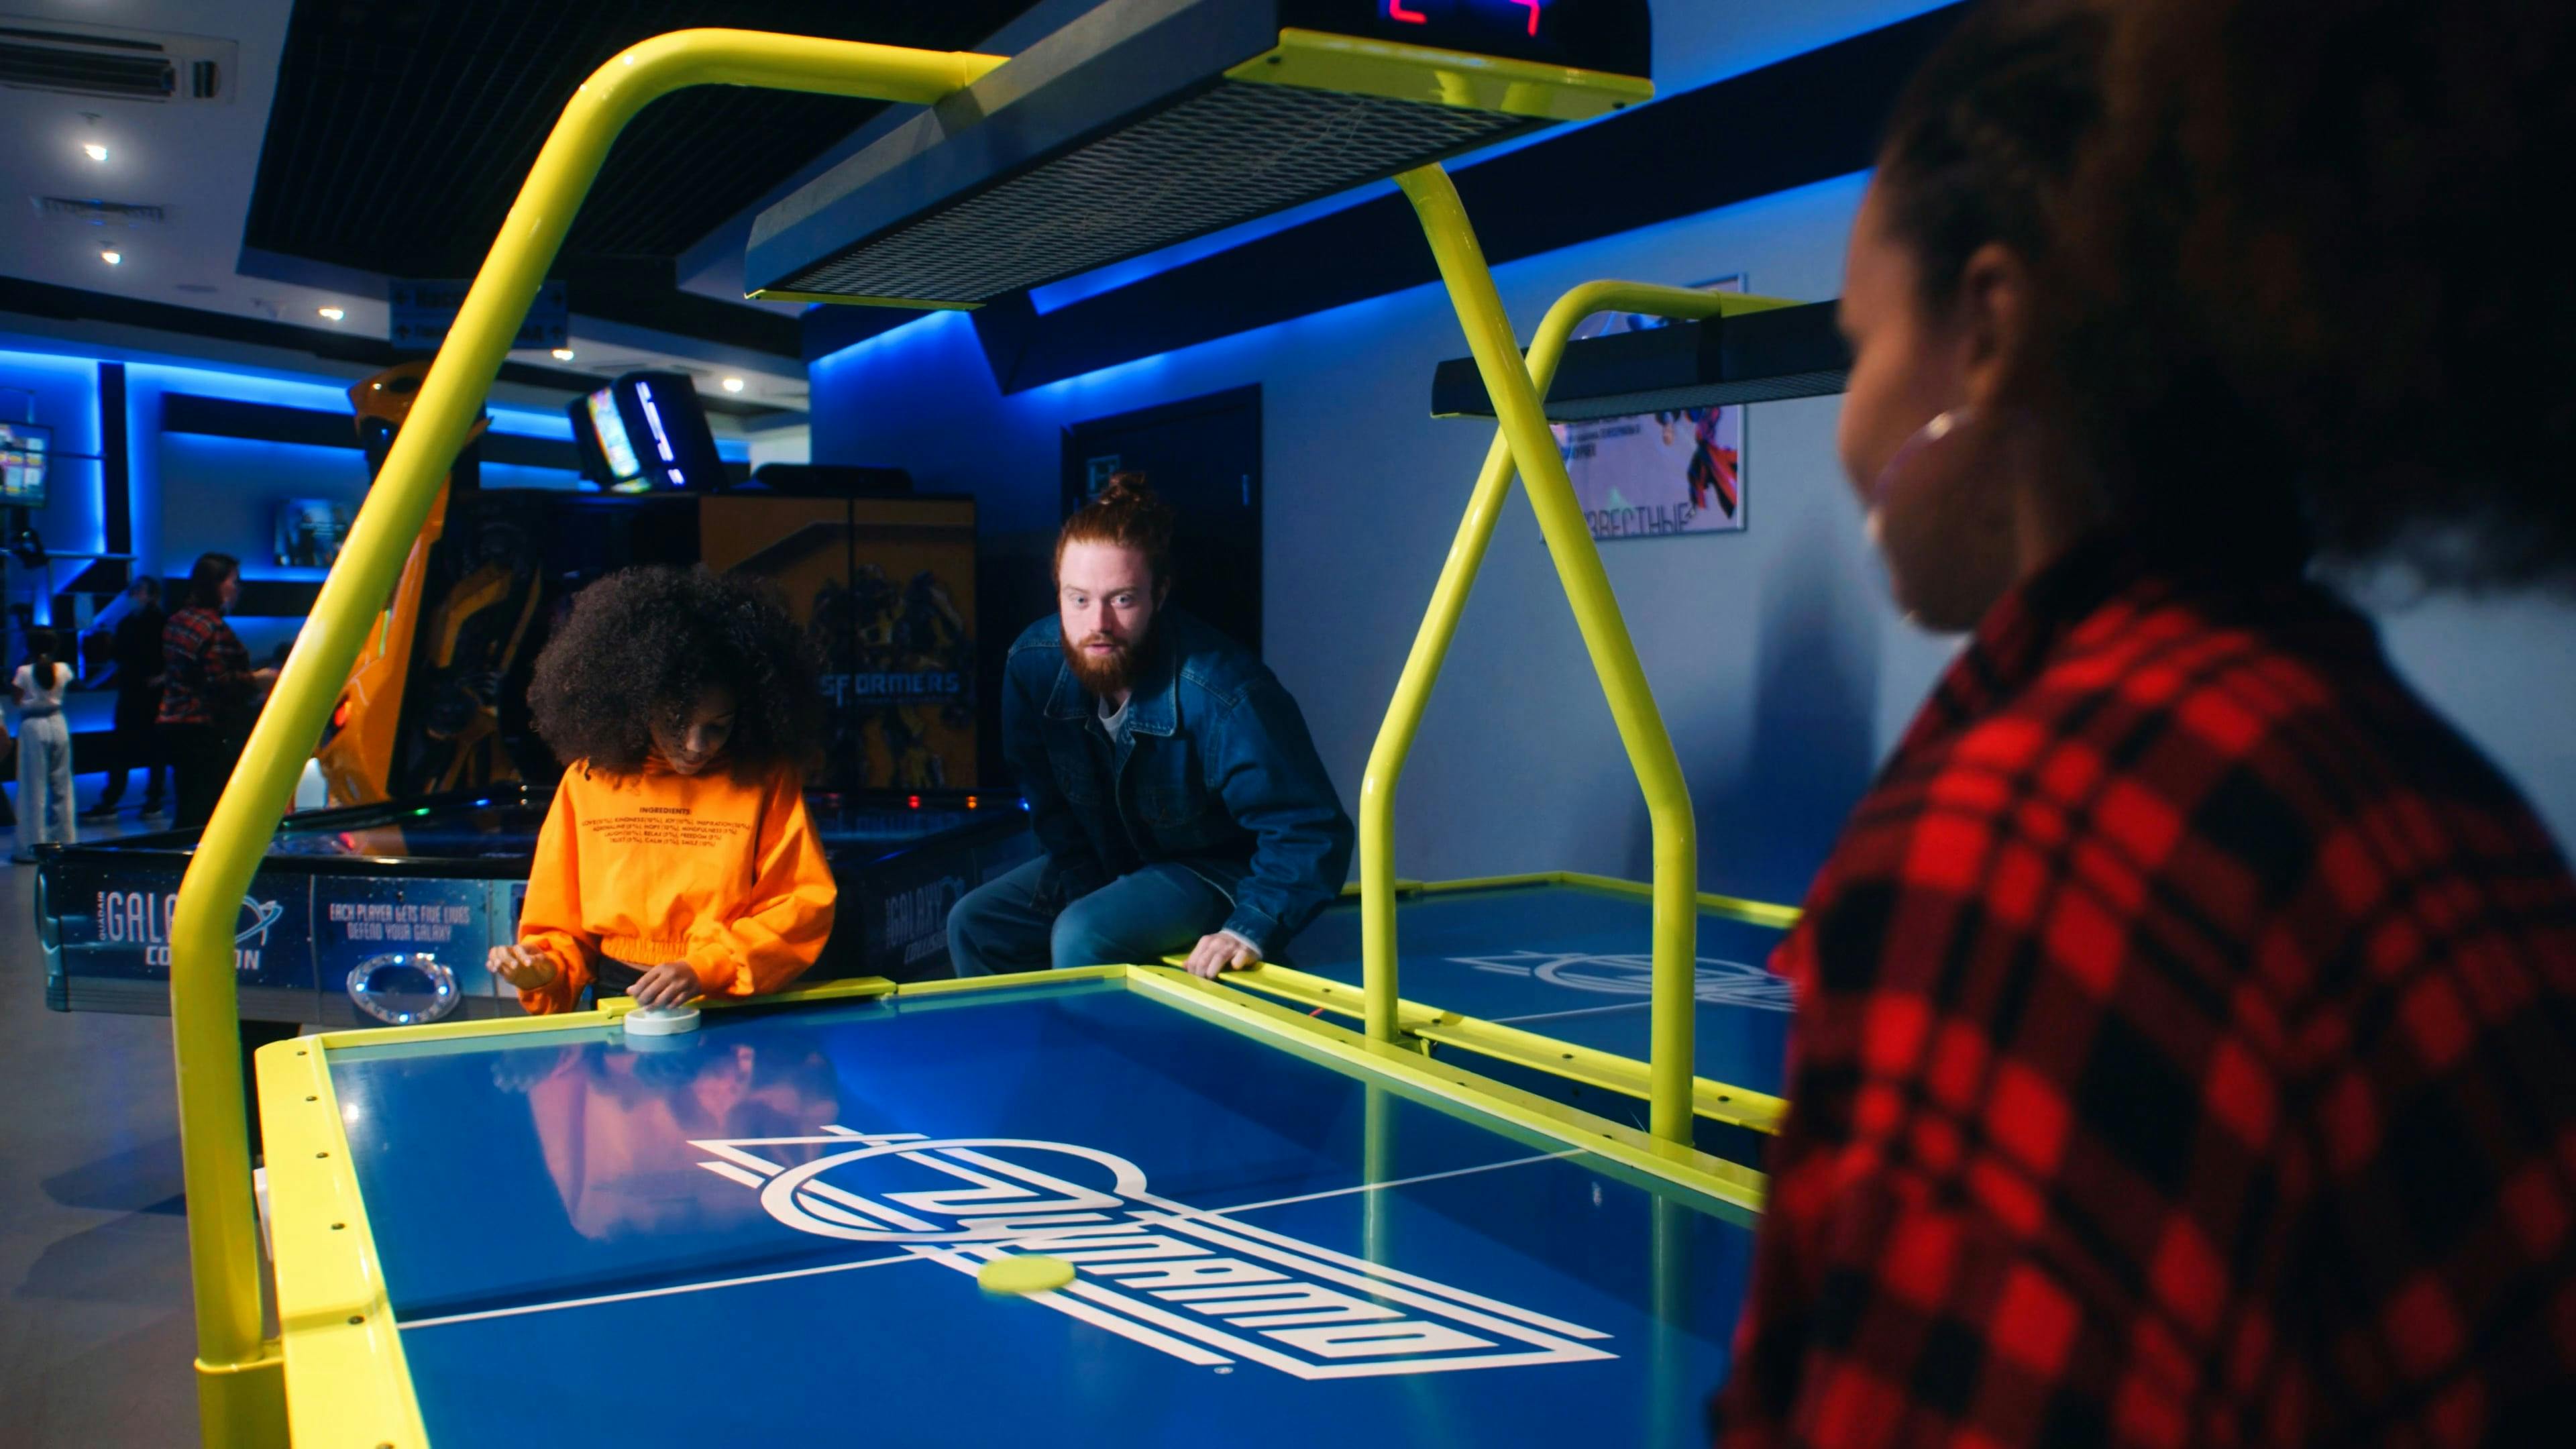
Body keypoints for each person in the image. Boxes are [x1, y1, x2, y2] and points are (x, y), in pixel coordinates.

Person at [1712, 1, 2576, 1444]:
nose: (1851, 432)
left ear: (1986, 331)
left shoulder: (2025, 854)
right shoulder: (2415, 776)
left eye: (1861, 350)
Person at [946, 474, 1353, 980]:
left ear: (1159, 595)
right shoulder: (1032, 663)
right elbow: (1046, 799)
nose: (1098, 623)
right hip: (1111, 858)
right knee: (976, 924)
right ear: (1057, 591)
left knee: (1082, 933)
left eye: (1122, 600)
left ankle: (1098, 1062)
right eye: (1078, 599)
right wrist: (1081, 880)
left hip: (1215, 869)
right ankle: (1023, 1057)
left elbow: (1309, 830)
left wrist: (1251, 925)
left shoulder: (1226, 691)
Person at [486, 565, 837, 1014]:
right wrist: (545, 971)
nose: (696, 747)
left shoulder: (765, 780)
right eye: (676, 723)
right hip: (618, 1002)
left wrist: (705, 967)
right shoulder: (588, 780)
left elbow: (800, 906)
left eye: (718, 727)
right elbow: (559, 927)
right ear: (635, 701)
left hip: (729, 1003)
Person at [160, 553, 275, 830]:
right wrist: (259, 679)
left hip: (175, 725)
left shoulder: (178, 620)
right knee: (209, 812)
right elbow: (219, 682)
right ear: (217, 585)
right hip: (207, 730)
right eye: (235, 581)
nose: (239, 588)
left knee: (187, 807)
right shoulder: (213, 628)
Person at [85, 576, 168, 819]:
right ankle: (113, 799)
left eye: (139, 591)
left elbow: (172, 657)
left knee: (153, 748)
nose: (134, 596)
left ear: (152, 595)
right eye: (133, 591)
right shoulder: (126, 623)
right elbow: (117, 659)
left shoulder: (161, 622)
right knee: (122, 747)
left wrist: (162, 678)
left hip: (151, 693)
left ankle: (153, 798)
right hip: (132, 691)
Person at [11, 627, 78, 859]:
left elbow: (17, 701)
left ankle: (32, 847)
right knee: (63, 786)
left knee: (33, 788)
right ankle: (65, 842)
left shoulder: (23, 672)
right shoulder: (63, 669)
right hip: (59, 724)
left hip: (33, 727)